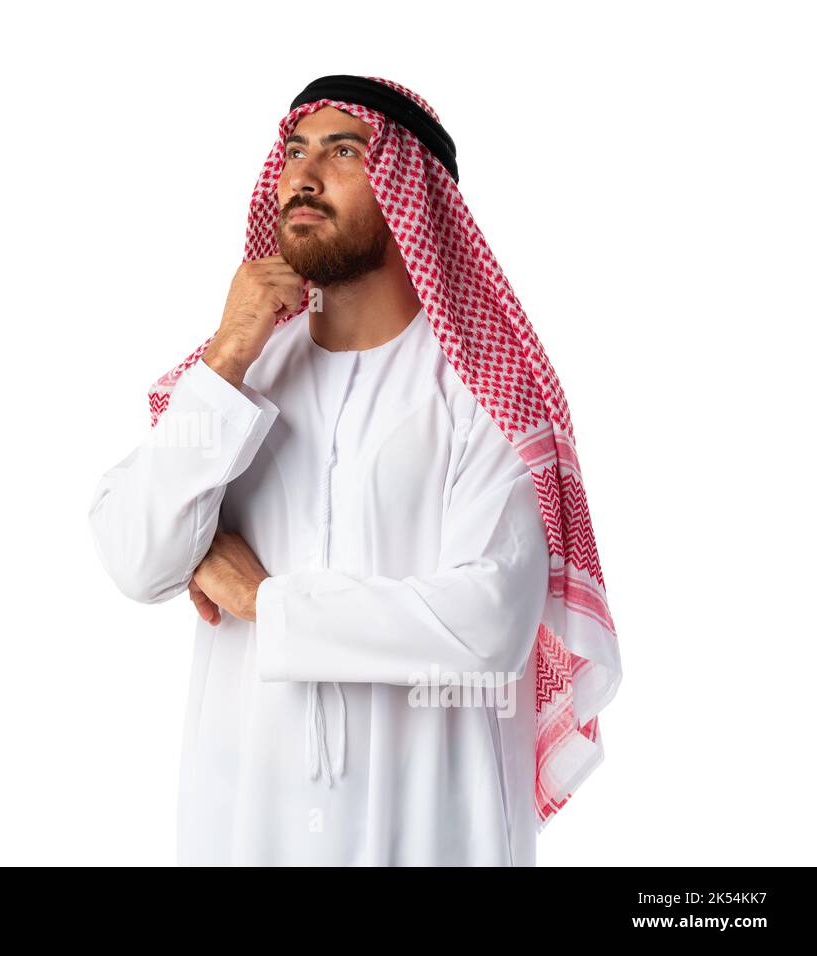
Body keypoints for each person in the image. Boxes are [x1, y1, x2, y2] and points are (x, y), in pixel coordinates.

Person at [87, 75, 621, 866]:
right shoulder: (239, 378)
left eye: (344, 152)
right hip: (245, 822)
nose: (301, 176)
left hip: (434, 824)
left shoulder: (485, 390)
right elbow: (136, 557)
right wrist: (228, 354)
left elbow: (483, 629)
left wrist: (262, 600)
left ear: (416, 196)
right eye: (294, 152)